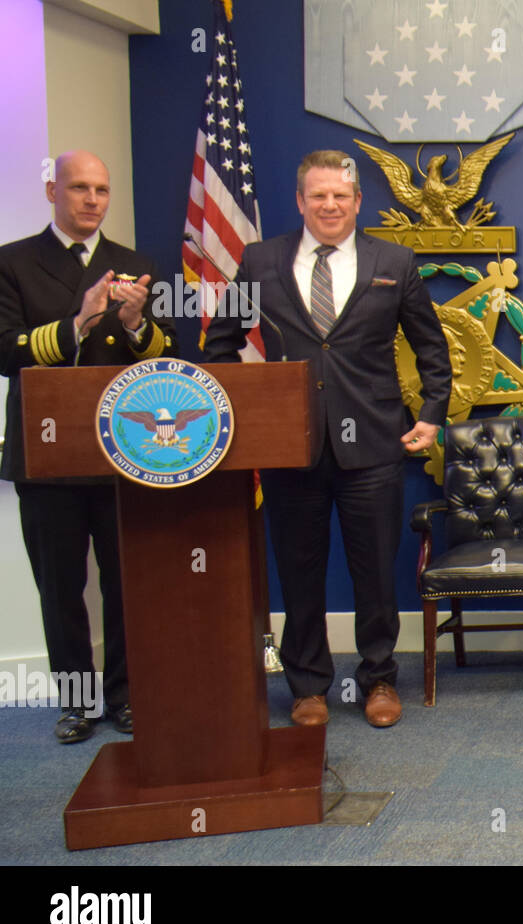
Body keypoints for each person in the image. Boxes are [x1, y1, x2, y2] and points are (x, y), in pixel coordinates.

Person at [204, 150, 450, 728]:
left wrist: (432, 414)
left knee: (374, 569)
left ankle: (379, 680)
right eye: (319, 195)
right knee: (299, 570)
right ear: (301, 201)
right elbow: (220, 346)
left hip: (374, 447)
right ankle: (309, 687)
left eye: (341, 195)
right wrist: (244, 420)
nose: (330, 205)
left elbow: (433, 350)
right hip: (289, 448)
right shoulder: (260, 261)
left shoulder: (396, 261)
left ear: (359, 202)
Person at [0, 150, 176, 743]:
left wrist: (132, 324)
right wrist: (80, 321)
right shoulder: (13, 262)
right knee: (60, 584)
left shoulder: (133, 263)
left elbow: (163, 357)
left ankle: (127, 694)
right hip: (47, 453)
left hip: (121, 449)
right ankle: (77, 701)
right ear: (52, 189)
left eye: (101, 189)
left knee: (126, 580)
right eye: (79, 188)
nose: (92, 200)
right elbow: (4, 352)